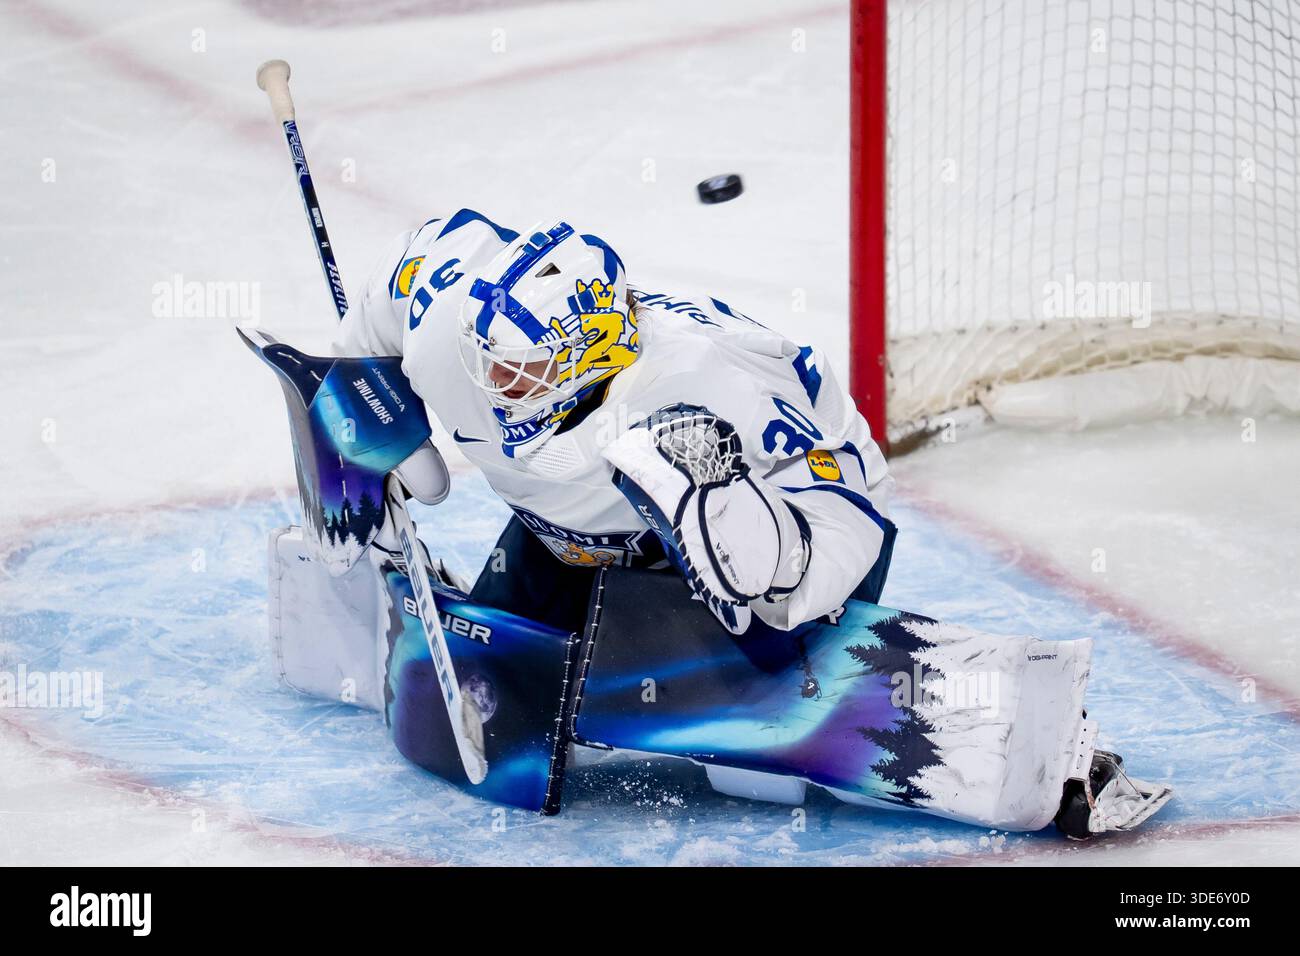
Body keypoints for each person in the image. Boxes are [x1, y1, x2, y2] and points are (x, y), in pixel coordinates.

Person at [335, 208, 894, 636]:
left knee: (738, 701)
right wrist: (362, 423)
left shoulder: (708, 386)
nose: (494, 384)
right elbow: (387, 294)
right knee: (509, 674)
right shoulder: (452, 327)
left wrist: (774, 563)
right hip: (571, 535)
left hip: (774, 518)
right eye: (490, 360)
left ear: (589, 355)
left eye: (521, 370)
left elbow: (847, 509)